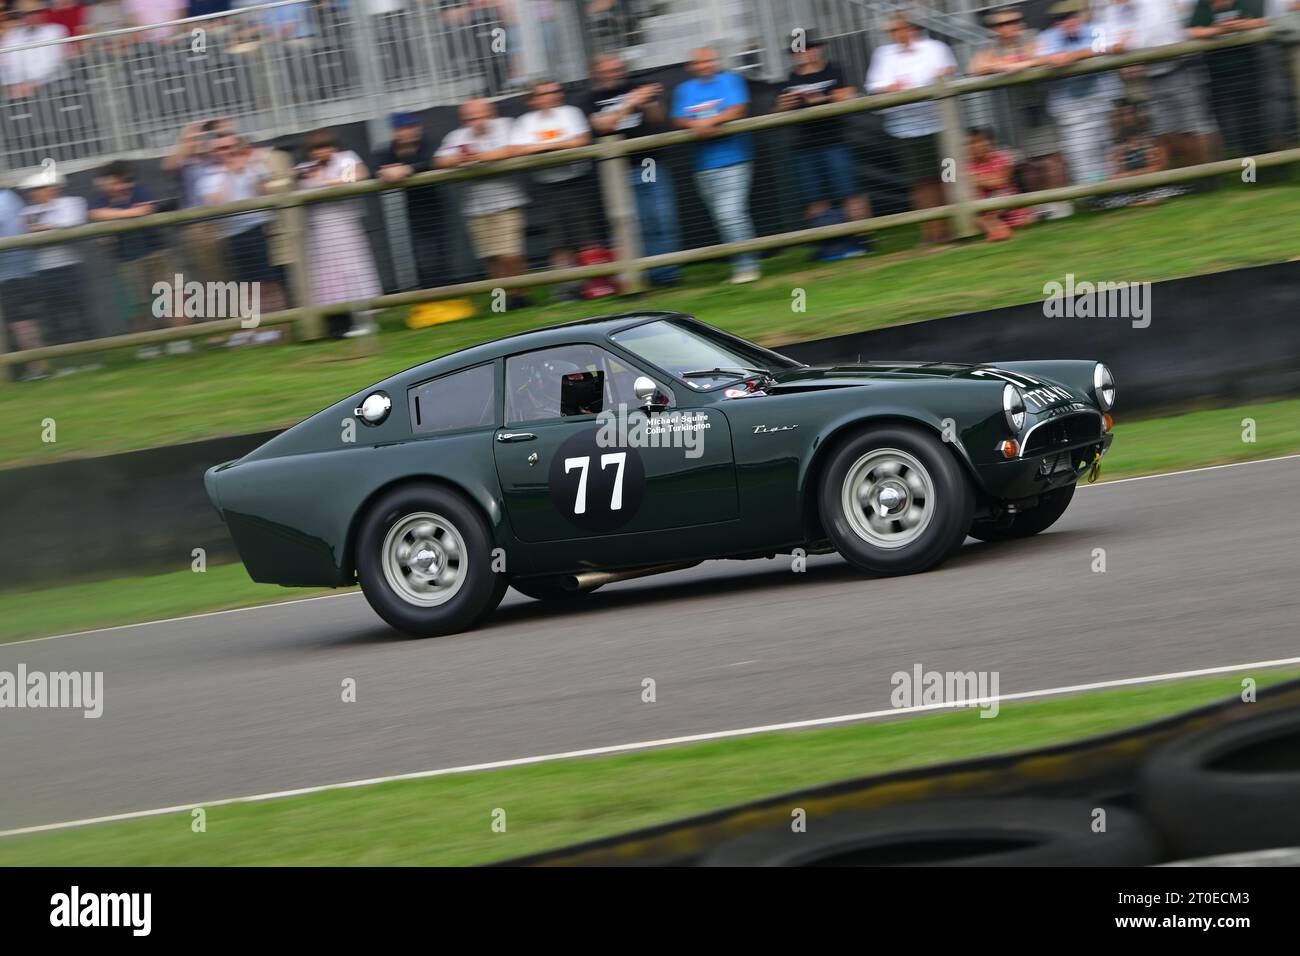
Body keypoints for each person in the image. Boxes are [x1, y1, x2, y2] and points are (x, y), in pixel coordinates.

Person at [581, 52, 682, 286]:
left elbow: (658, 119)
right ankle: (636, 275)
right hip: (615, 170)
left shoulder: (638, 87)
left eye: (619, 69)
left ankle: (666, 274)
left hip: (648, 163)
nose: (616, 74)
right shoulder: (589, 99)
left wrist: (648, 102)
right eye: (610, 70)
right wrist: (631, 103)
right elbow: (604, 125)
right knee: (626, 224)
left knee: (658, 218)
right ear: (597, 73)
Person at [775, 32, 871, 261]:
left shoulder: (834, 70)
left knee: (850, 193)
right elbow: (778, 110)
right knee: (815, 199)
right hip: (804, 146)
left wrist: (822, 99)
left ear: (818, 49)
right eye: (799, 50)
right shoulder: (790, 79)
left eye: (808, 48)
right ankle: (827, 245)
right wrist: (784, 105)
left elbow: (849, 94)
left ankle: (863, 239)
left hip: (835, 141)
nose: (805, 53)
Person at [866, 15, 958, 243]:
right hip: (904, 129)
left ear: (913, 27)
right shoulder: (883, 54)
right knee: (921, 182)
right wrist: (890, 88)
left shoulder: (935, 48)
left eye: (900, 28)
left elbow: (948, 72)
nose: (897, 34)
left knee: (948, 176)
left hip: (941, 125)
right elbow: (875, 86)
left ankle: (955, 228)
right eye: (892, 31)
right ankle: (932, 233)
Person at [672, 45, 758, 283]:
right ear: (691, 67)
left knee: (730, 214)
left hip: (735, 159)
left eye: (709, 61)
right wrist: (695, 126)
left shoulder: (730, 80)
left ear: (717, 61)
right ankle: (740, 264)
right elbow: (679, 117)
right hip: (703, 165)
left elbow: (738, 109)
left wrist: (711, 121)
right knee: (721, 217)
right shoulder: (685, 89)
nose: (705, 66)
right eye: (700, 62)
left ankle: (747, 267)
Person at [435, 97, 530, 309]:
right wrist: (458, 159)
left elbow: (517, 148)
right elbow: (440, 160)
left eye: (479, 117)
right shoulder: (457, 136)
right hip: (476, 206)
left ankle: (520, 295)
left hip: (507, 200)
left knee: (510, 254)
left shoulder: (506, 125)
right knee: (491, 257)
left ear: (490, 114)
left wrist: (481, 157)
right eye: (470, 118)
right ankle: (501, 302)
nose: (475, 122)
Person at [510, 77, 595, 299]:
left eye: (555, 91)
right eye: (545, 93)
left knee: (584, 236)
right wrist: (559, 145)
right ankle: (566, 288)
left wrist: (544, 147)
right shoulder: (525, 121)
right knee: (557, 240)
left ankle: (593, 283)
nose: (552, 96)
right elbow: (517, 149)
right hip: (546, 186)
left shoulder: (571, 113)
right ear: (533, 99)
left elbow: (582, 140)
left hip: (576, 182)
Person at [88, 160, 184, 353]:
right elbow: (96, 214)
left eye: (128, 180)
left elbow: (147, 209)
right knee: (136, 304)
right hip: (127, 259)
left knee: (172, 296)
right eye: (120, 181)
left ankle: (181, 340)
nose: (126, 185)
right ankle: (148, 347)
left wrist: (119, 213)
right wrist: (131, 212)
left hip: (158, 252)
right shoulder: (99, 199)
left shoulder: (141, 192)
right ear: (108, 182)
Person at [298, 129, 382, 337]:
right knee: (328, 276)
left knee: (352, 269)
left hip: (345, 225)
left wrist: (323, 182)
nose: (322, 152)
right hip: (319, 229)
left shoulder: (346, 159)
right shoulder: (304, 169)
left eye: (326, 146)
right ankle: (339, 322)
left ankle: (364, 320)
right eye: (317, 148)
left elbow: (358, 175)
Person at [1128, 0, 1220, 171]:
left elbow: (1183, 19)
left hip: (1182, 64)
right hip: (1151, 71)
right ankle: (1187, 178)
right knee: (1167, 130)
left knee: (1197, 127)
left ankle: (1209, 176)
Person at [1039, 0, 1121, 184]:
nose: (1067, 22)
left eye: (1071, 17)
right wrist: (1062, 58)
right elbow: (1046, 58)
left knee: (1106, 148)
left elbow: (1115, 46)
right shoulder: (1049, 37)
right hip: (1070, 107)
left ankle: (1112, 191)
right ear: (1056, 23)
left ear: (1079, 16)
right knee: (1081, 152)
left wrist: (1076, 55)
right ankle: (1093, 195)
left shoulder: (1097, 29)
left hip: (1101, 100)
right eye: (1061, 19)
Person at [1187, 0, 1270, 158]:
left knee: (1250, 123)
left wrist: (1240, 25)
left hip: (1246, 71)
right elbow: (1191, 31)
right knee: (1222, 125)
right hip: (1216, 76)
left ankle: (1253, 172)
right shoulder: (1203, 5)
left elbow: (1264, 20)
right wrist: (1218, 30)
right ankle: (1231, 168)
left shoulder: (1244, 3)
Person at [375, 111, 443, 290]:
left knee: (440, 251)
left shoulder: (429, 144)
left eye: (411, 127)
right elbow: (377, 168)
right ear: (395, 131)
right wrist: (386, 173)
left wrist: (407, 169)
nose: (407, 132)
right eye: (402, 128)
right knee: (420, 255)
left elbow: (433, 161)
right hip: (412, 210)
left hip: (437, 205)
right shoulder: (388, 151)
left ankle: (447, 294)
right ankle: (426, 296)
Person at [965, 128, 1031, 241]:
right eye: (969, 143)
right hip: (985, 210)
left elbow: (1000, 181)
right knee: (975, 205)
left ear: (989, 142)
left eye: (978, 141)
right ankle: (999, 230)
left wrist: (975, 178)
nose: (974, 146)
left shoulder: (1003, 157)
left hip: (1009, 205)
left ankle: (997, 229)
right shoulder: (967, 166)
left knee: (1025, 219)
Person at [1, 0, 68, 100]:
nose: (31, 17)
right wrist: (15, 84)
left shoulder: (55, 31)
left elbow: (55, 64)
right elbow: (6, 65)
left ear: (42, 12)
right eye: (25, 13)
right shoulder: (11, 37)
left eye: (35, 12)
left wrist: (33, 84)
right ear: (20, 16)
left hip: (52, 86)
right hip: (20, 91)